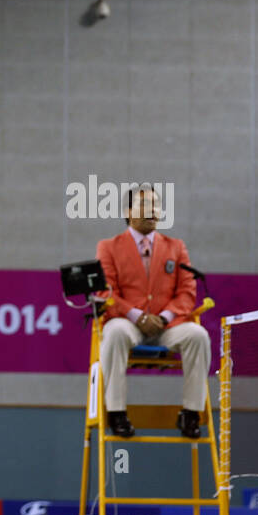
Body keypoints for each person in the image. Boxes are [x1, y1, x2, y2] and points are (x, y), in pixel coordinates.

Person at [96, 186, 210, 439]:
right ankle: (116, 412)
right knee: (113, 334)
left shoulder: (176, 247)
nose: (153, 211)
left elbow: (187, 291)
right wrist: (138, 316)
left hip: (167, 325)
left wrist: (165, 317)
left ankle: (191, 413)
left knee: (198, 336)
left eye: (156, 205)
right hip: (128, 323)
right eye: (146, 205)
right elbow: (107, 292)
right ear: (128, 211)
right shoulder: (108, 247)